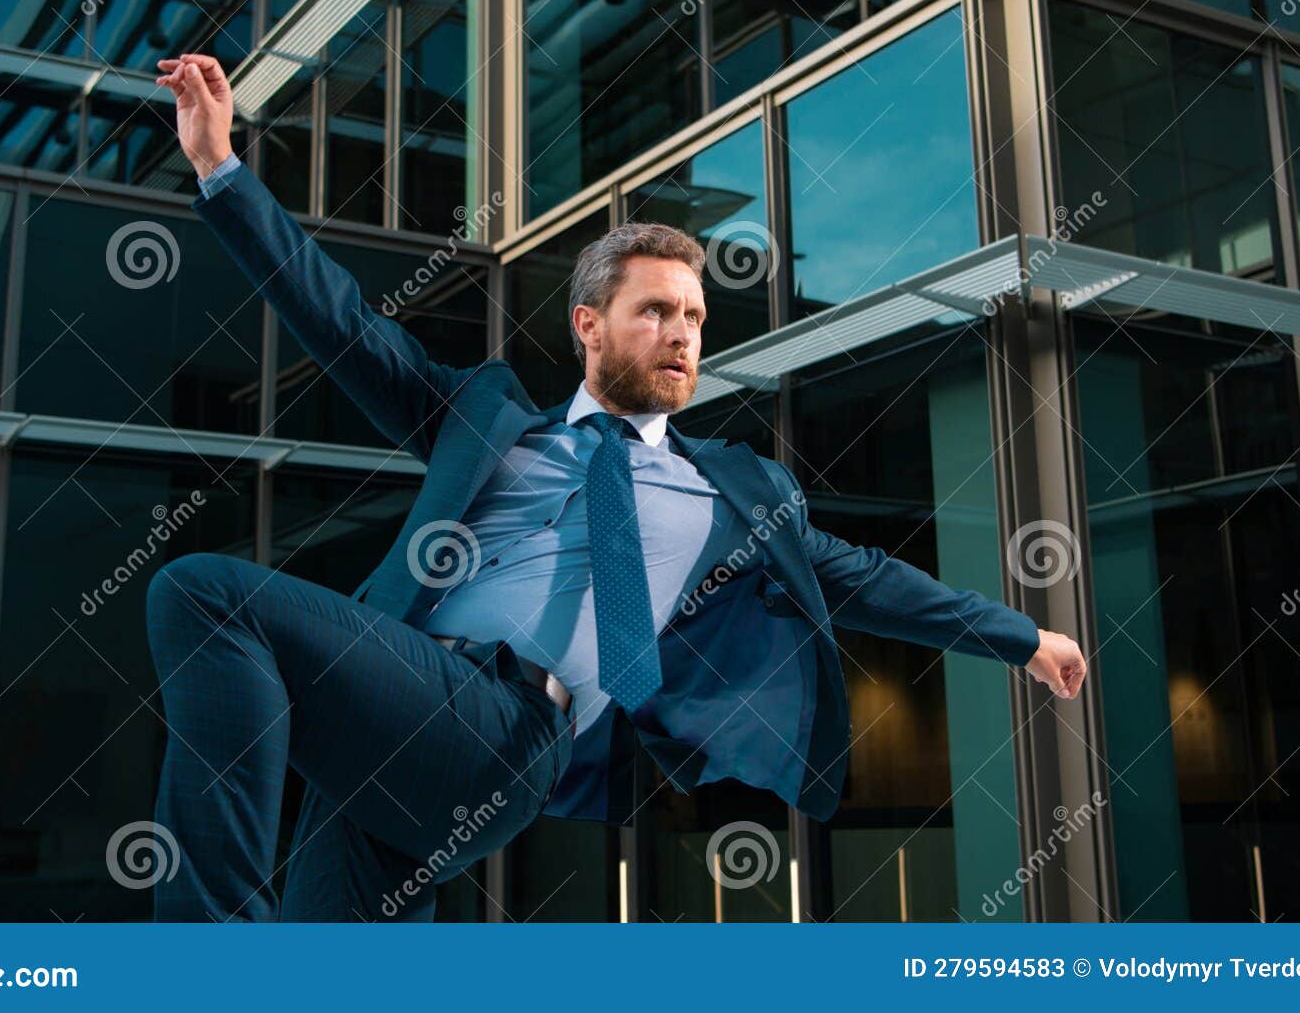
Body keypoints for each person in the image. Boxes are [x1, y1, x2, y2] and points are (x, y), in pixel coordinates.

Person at [143, 52, 1088, 922]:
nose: (684, 334)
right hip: (399, 726)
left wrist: (1023, 637)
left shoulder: (733, 496)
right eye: (657, 312)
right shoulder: (485, 420)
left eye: (696, 317)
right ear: (590, 325)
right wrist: (222, 167)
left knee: (201, 592)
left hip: (510, 730)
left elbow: (873, 581)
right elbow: (340, 320)